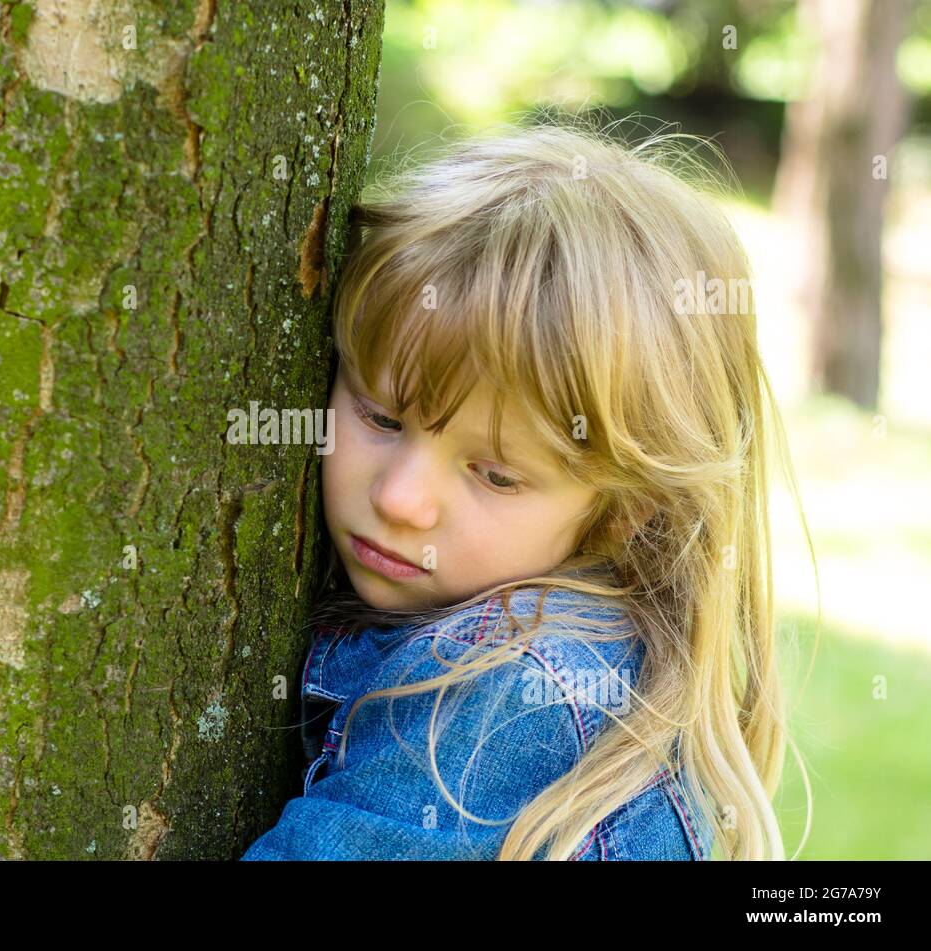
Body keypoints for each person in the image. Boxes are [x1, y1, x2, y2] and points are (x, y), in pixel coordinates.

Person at [241, 118, 811, 861]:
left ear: (623, 514)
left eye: (498, 475)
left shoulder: (513, 694)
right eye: (381, 415)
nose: (400, 499)